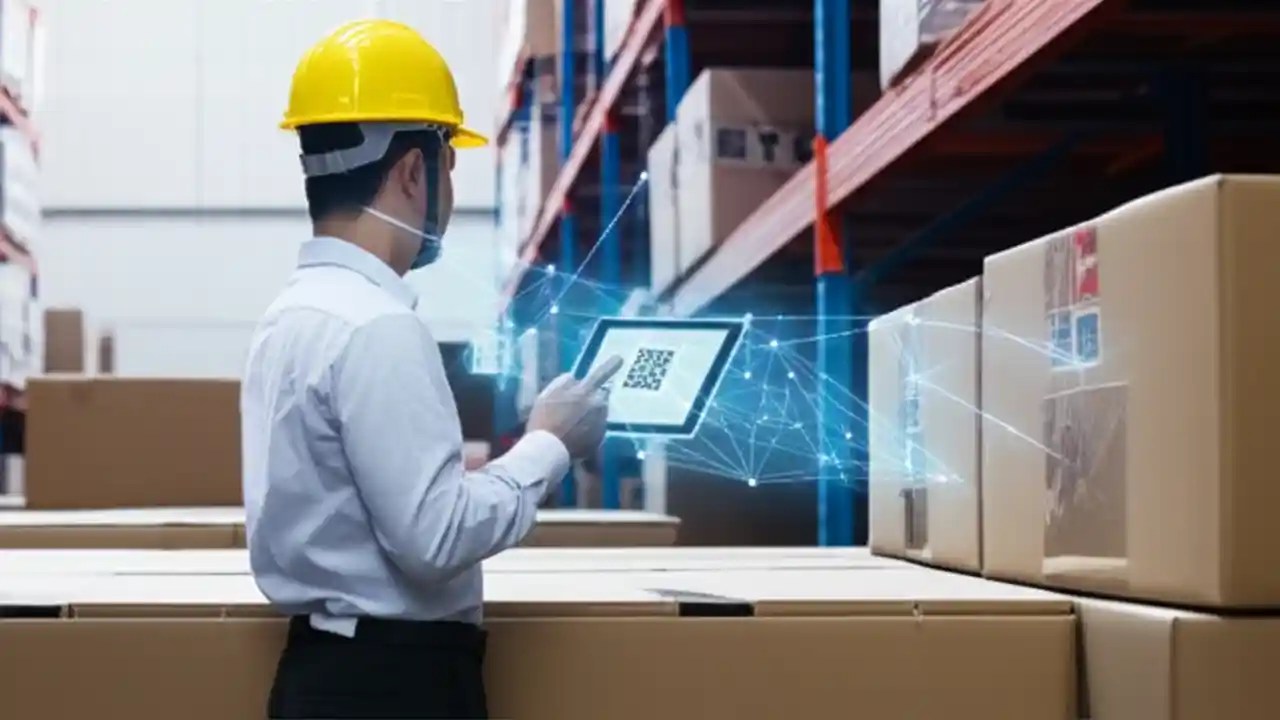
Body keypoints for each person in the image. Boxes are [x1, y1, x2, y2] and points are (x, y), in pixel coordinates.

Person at [240, 19, 622, 720]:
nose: (449, 181)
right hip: (392, 688)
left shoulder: (288, 317)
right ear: (414, 170)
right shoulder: (378, 326)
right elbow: (435, 537)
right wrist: (550, 443)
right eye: (449, 162)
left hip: (323, 674)